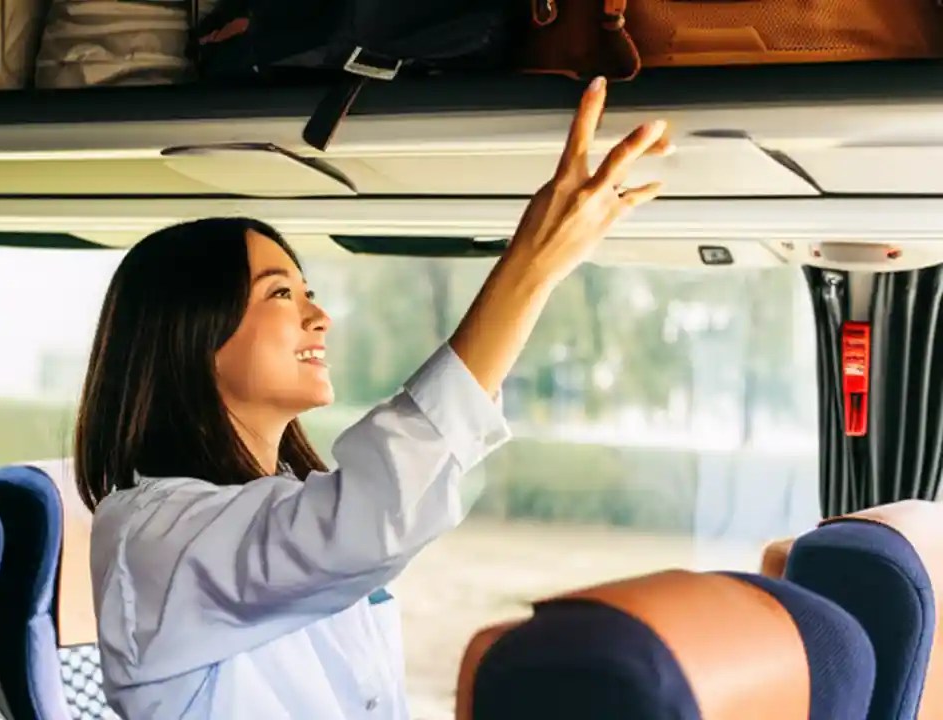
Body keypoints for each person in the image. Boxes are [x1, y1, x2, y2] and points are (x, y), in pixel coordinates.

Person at [74, 77, 673, 719]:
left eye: (309, 291)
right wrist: (532, 266)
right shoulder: (151, 534)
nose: (320, 317)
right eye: (282, 294)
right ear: (190, 335)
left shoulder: (279, 506)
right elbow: (376, 511)